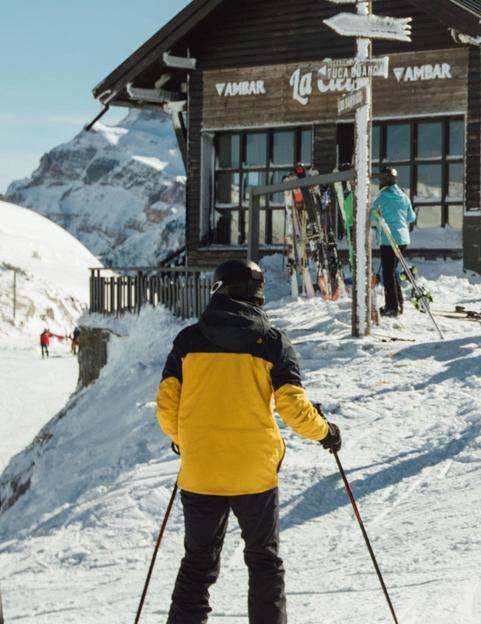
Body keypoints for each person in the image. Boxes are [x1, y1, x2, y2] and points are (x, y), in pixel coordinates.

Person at [155, 259, 341, 624]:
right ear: (259, 296)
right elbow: (292, 407)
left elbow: (166, 407)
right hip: (254, 472)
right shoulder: (272, 342)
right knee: (263, 562)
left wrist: (186, 441)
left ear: (217, 289)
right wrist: (327, 432)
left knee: (197, 565)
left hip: (201, 471)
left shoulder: (188, 341)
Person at [370, 167, 417, 317]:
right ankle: (398, 303)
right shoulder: (404, 196)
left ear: (384, 181)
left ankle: (392, 307)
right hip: (403, 239)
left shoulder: (381, 198)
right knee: (392, 270)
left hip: (388, 239)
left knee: (388, 273)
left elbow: (372, 217)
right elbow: (411, 218)